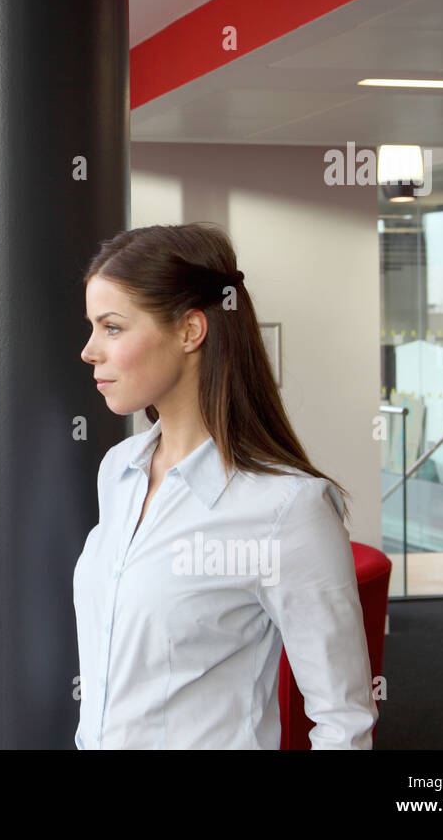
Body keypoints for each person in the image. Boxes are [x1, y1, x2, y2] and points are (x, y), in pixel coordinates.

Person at [74, 223, 377, 749]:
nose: (89, 350)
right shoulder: (119, 470)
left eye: (112, 327)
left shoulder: (287, 507)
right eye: (93, 327)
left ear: (191, 331)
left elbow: (343, 722)